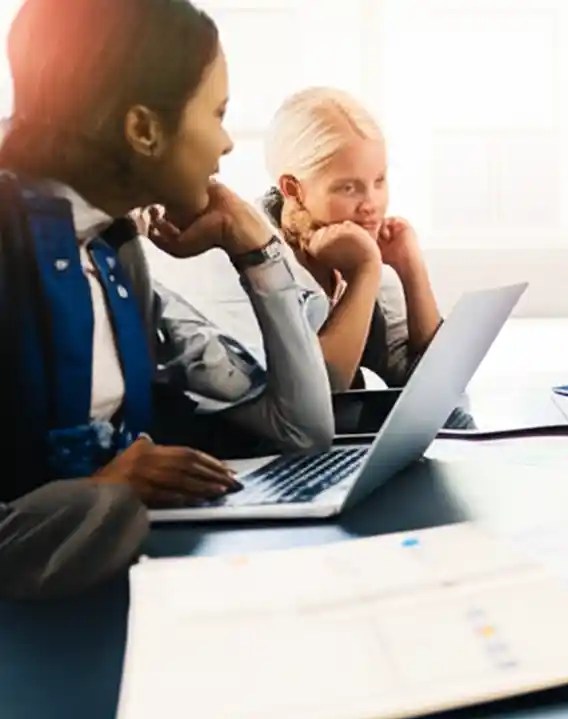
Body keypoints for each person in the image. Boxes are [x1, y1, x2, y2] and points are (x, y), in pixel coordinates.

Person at [0, 0, 333, 597]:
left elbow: (302, 428)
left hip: (109, 597)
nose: (227, 143)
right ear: (144, 130)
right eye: (217, 113)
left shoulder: (116, 252)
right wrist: (99, 490)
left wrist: (258, 249)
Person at [257, 87, 443, 391]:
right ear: (293, 189)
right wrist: (364, 272)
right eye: (348, 188)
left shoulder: (365, 250)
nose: (371, 204)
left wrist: (411, 270)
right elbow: (319, 394)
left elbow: (435, 384)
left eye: (379, 181)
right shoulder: (260, 262)